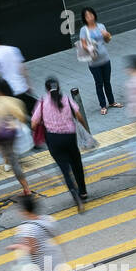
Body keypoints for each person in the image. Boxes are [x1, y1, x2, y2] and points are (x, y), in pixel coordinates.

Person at [30, 78, 89, 212]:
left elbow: (33, 124)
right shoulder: (67, 99)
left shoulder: (42, 102)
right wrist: (85, 129)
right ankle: (83, 192)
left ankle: (75, 195)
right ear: (59, 87)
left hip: (53, 139)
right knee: (76, 163)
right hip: (69, 137)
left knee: (64, 169)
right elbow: (79, 116)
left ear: (46, 89)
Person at [15, 194, 66, 271]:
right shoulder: (48, 219)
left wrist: (17, 246)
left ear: (24, 211)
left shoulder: (26, 229)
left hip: (43, 266)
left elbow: (32, 250)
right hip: (55, 259)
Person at [0, 92, 32, 198]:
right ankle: (25, 186)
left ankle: (27, 189)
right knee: (13, 160)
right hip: (9, 140)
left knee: (14, 163)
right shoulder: (4, 107)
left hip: (6, 142)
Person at [0, 32, 35, 121]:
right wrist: (29, 84)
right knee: (32, 111)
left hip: (9, 90)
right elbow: (23, 69)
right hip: (22, 86)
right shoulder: (13, 49)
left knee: (18, 115)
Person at [78, 8, 121, 116]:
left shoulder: (101, 26)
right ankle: (102, 105)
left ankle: (111, 102)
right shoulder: (84, 30)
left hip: (105, 58)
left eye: (91, 14)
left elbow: (107, 40)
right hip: (93, 61)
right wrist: (90, 49)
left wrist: (106, 35)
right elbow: (83, 44)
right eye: (87, 16)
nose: (90, 17)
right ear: (84, 18)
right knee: (99, 83)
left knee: (107, 81)